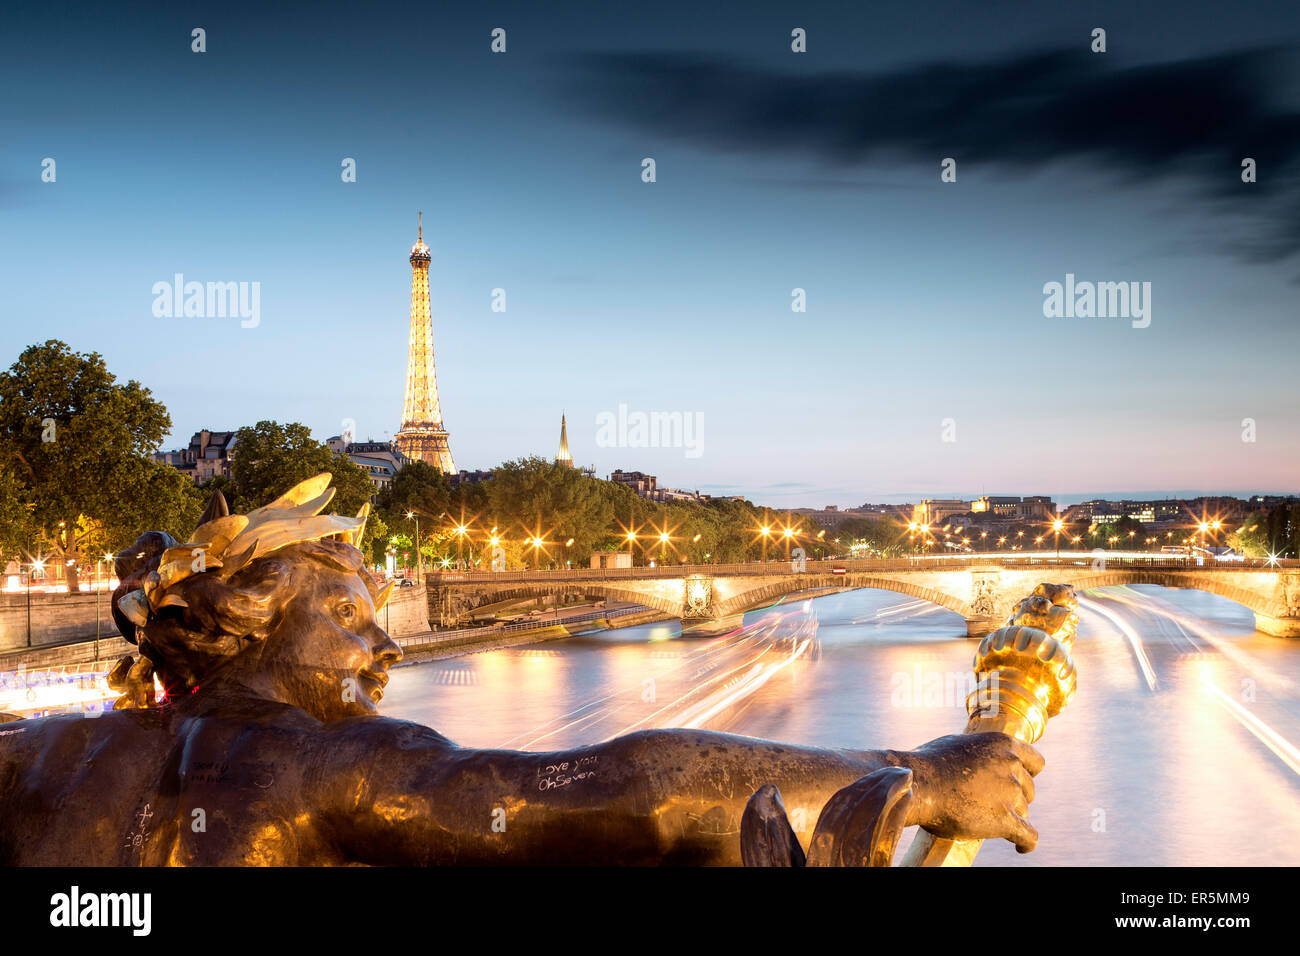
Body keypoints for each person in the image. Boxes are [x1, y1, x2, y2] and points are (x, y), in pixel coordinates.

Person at [0, 476, 1041, 866]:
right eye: (350, 614)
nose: (386, 644)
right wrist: (924, 771)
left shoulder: (41, 752)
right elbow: (637, 786)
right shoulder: (323, 762)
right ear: (248, 621)